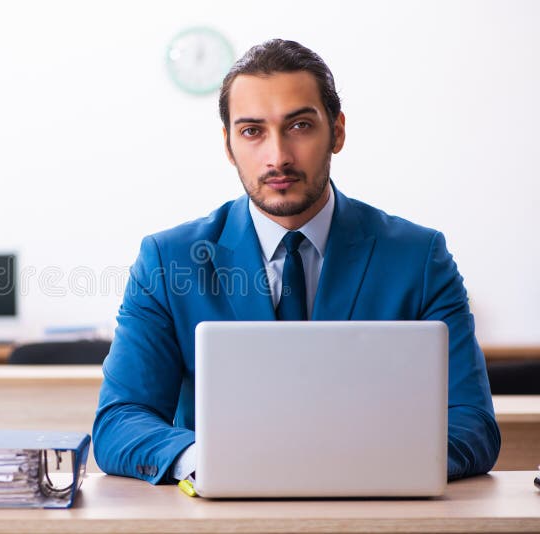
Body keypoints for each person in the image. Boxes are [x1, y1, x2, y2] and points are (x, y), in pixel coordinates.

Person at [92, 38, 500, 484]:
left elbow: (472, 424)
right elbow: (120, 421)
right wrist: (209, 462)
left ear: (337, 132)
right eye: (252, 131)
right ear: (228, 145)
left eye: (300, 126)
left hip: (374, 504)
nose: (278, 157)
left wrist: (358, 465)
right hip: (221, 508)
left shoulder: (419, 258)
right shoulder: (168, 261)